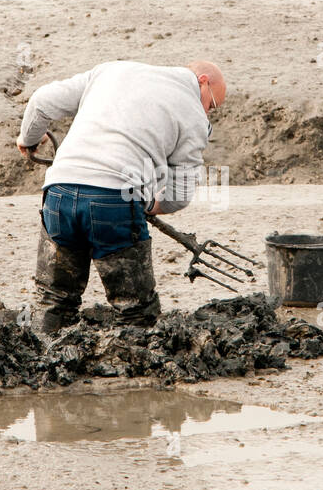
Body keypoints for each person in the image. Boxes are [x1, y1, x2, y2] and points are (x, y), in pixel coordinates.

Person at [16, 59, 227, 331]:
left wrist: (29, 139)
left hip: (58, 193)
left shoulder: (110, 70)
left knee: (55, 300)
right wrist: (149, 204)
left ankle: (43, 361)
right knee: (136, 312)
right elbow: (179, 195)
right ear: (203, 81)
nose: (208, 112)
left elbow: (41, 101)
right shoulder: (194, 116)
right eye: (212, 105)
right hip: (115, 201)